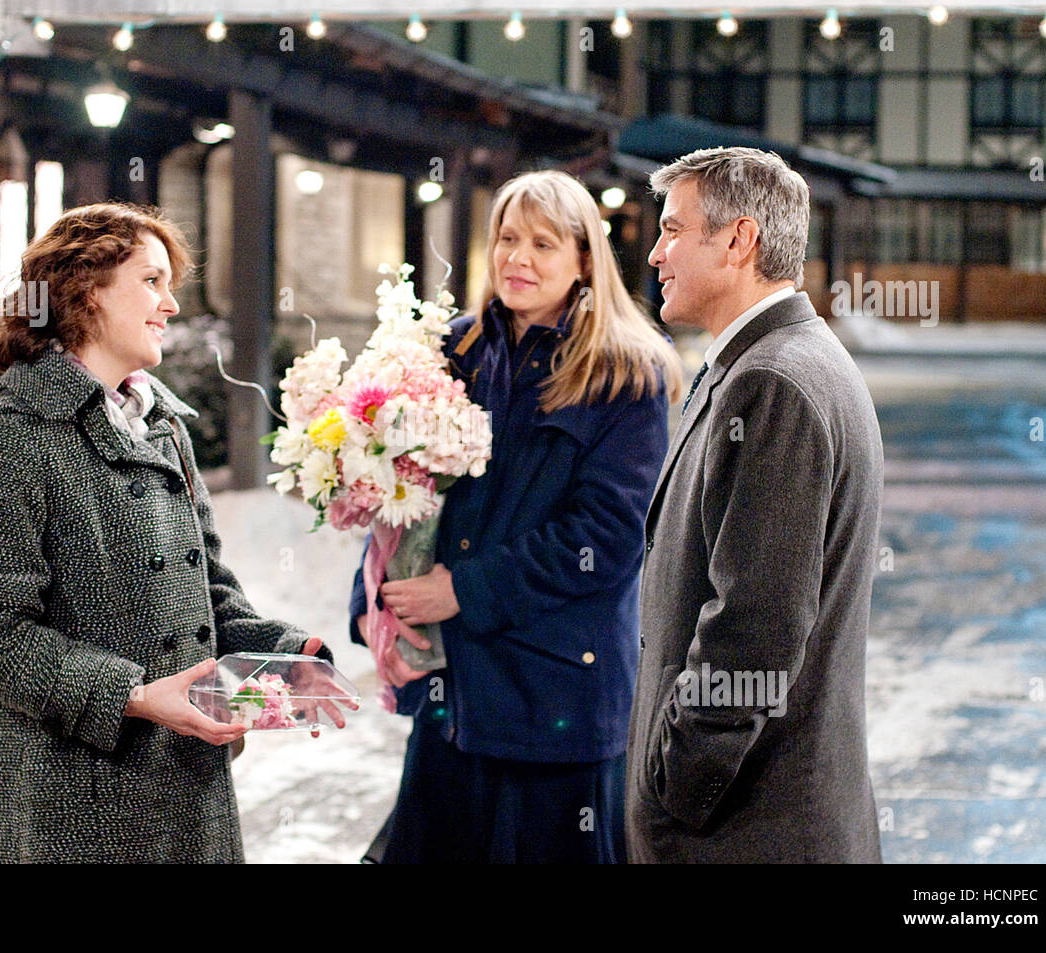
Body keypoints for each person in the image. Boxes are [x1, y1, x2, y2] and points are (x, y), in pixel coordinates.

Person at [0, 202, 331, 863]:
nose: (170, 305)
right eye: (152, 281)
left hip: (188, 792)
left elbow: (205, 586)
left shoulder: (163, 426)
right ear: (86, 288)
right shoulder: (16, 434)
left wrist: (286, 653)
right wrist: (131, 694)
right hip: (69, 812)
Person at [350, 170, 683, 863]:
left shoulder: (627, 372)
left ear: (585, 258)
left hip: (555, 702)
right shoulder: (454, 350)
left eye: (542, 243)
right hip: (455, 700)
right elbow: (401, 491)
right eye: (507, 238)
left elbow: (608, 536)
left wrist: (464, 590)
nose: (517, 258)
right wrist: (372, 599)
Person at [626, 147, 884, 863]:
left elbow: (756, 628)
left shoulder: (772, 382)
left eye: (674, 229)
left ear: (739, 241)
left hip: (750, 830)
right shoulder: (766, 363)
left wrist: (674, 786)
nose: (654, 253)